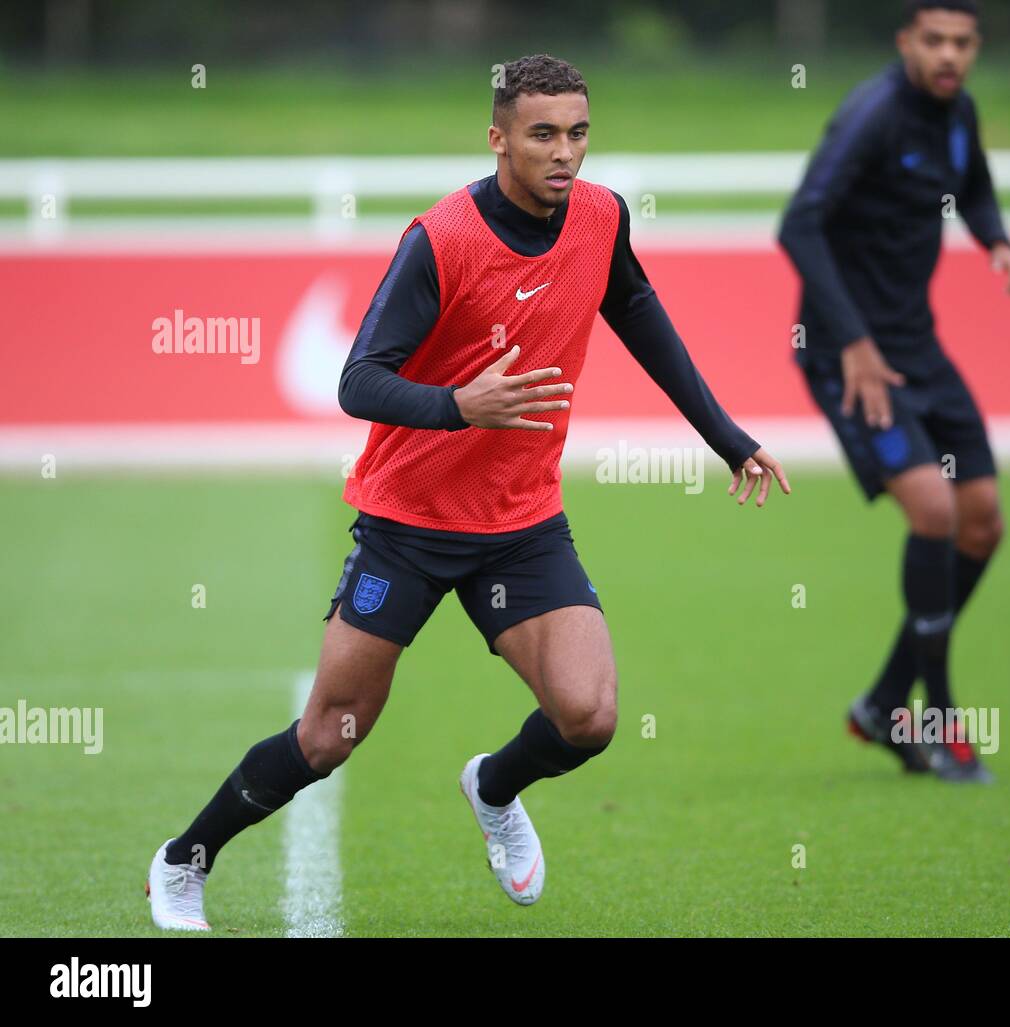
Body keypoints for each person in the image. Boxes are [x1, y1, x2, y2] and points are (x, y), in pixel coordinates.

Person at [147, 53, 789, 931]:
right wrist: (460, 404)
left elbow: (636, 309)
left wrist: (727, 437)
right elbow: (357, 381)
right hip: (405, 525)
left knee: (590, 714)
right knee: (329, 735)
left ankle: (493, 786)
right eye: (543, 135)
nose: (565, 153)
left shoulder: (600, 218)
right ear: (498, 140)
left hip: (521, 525)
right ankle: (186, 858)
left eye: (578, 133)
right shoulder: (442, 240)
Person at [778, 0, 1010, 782]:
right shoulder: (874, 117)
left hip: (919, 348)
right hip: (846, 352)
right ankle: (939, 712)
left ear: (974, 48)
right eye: (934, 40)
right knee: (935, 509)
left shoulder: (959, 115)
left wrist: (998, 243)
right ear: (906, 43)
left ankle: (885, 700)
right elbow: (799, 225)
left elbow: (978, 189)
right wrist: (853, 342)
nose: (949, 55)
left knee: (982, 522)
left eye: (962, 42)